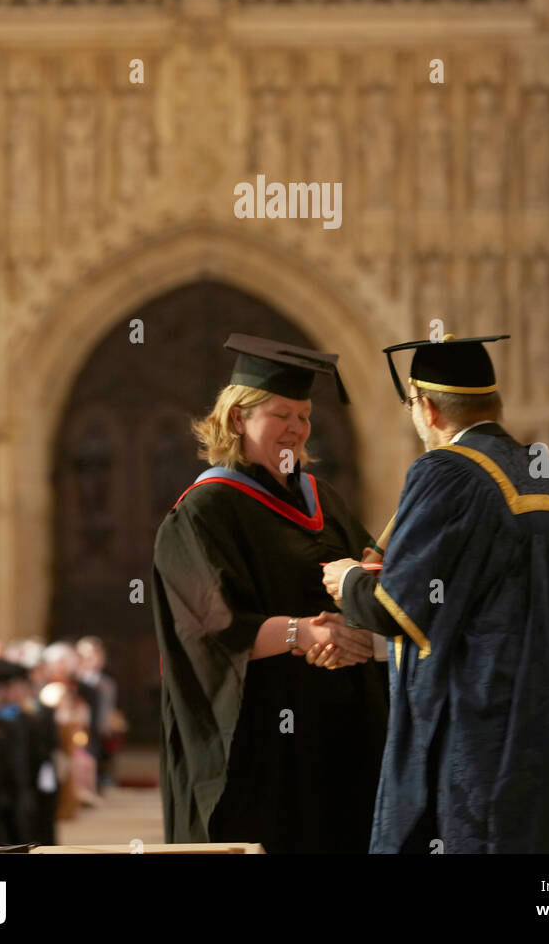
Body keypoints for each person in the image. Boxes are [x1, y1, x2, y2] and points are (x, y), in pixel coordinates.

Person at [323, 334, 549, 854]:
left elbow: (400, 608)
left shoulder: (447, 472)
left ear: (428, 407)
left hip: (485, 725)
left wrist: (349, 579)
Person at [153, 334, 388, 854]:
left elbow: (371, 577)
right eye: (282, 414)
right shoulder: (204, 511)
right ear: (239, 418)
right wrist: (302, 633)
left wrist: (362, 614)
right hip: (257, 744)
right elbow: (210, 631)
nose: (297, 429)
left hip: (337, 733)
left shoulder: (322, 498)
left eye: (304, 416)